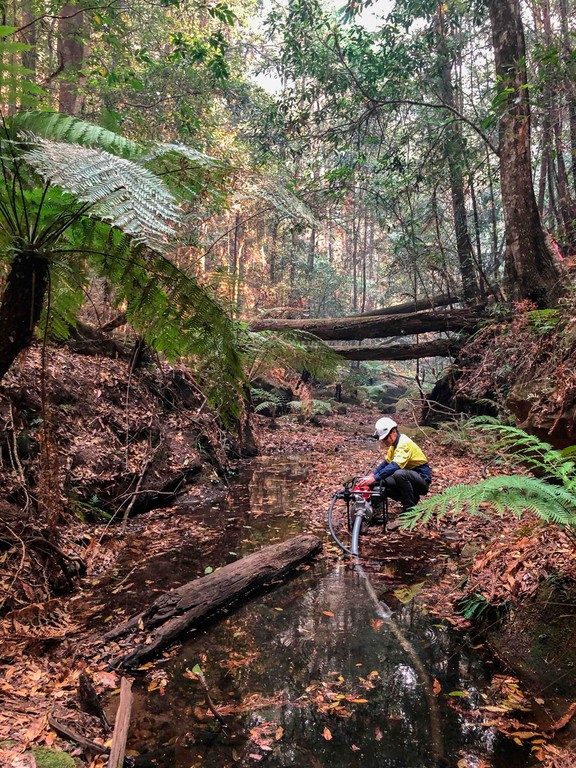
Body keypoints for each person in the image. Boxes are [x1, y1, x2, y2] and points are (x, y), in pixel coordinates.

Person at [358, 417, 432, 513]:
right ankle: (376, 507)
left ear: (393, 432)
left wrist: (375, 477)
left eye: (385, 438)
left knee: (398, 474)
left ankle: (409, 509)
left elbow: (395, 465)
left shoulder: (404, 443)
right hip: (410, 478)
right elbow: (386, 463)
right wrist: (372, 476)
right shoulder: (394, 445)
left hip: (421, 479)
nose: (385, 441)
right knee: (380, 481)